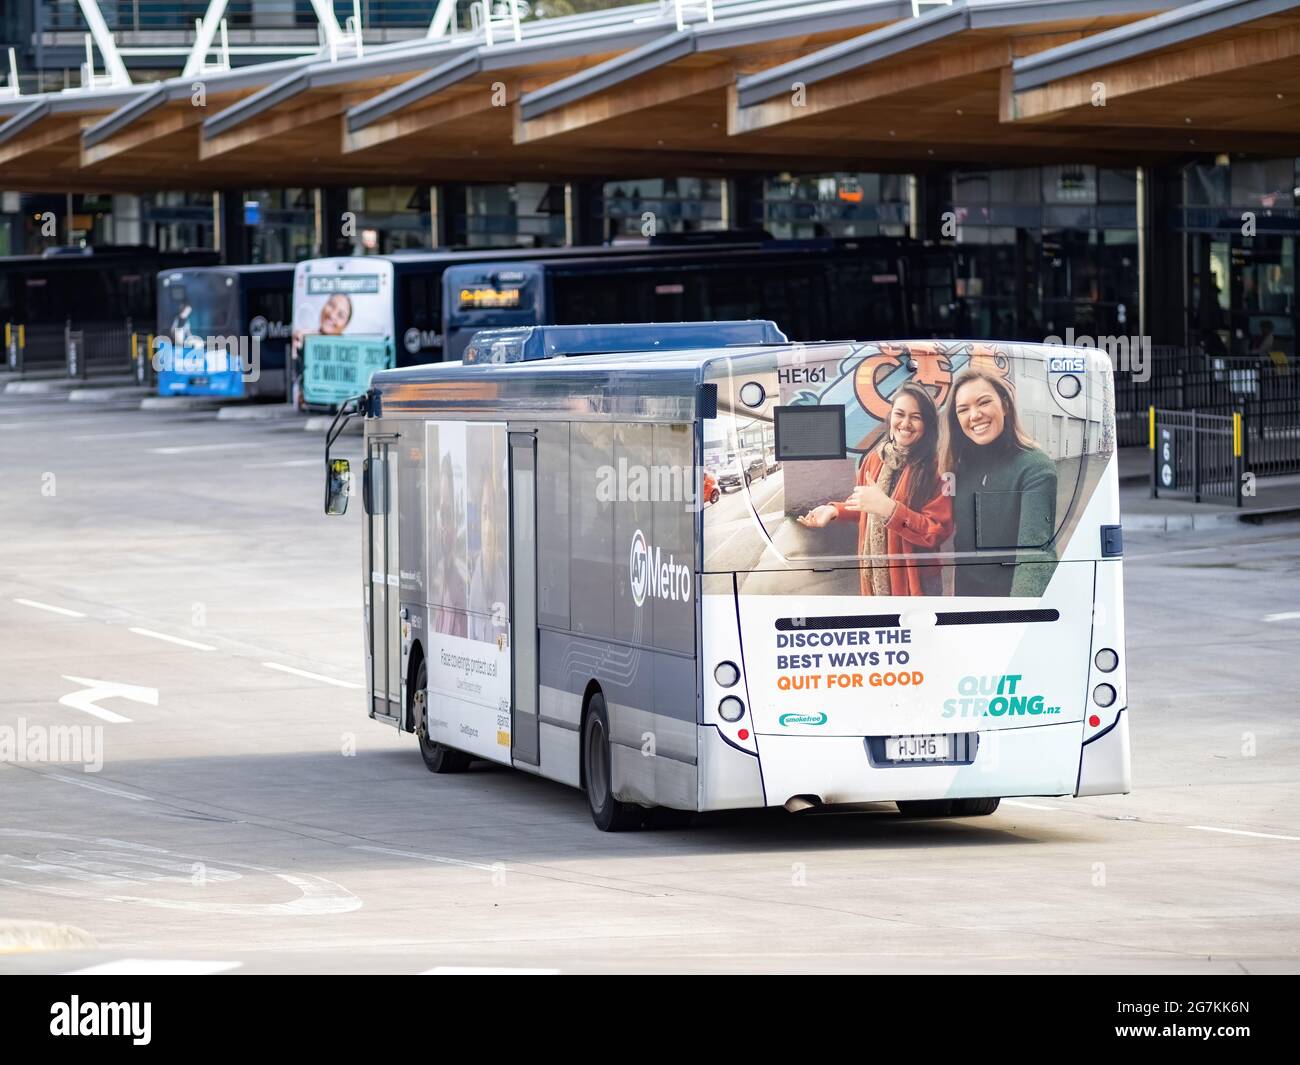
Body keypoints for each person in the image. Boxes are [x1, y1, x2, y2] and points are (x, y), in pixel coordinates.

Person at [797, 382, 952, 596]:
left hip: (918, 582)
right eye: (900, 414)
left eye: (916, 417)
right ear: (891, 419)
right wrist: (834, 511)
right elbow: (866, 504)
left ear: (927, 424)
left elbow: (937, 531)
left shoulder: (938, 466)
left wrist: (890, 509)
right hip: (875, 576)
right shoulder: (875, 458)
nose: (905, 423)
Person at [941, 368, 1057, 597]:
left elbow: (1035, 554)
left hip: (1007, 609)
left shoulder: (1035, 467)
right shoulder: (959, 467)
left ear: (1004, 405)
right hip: (964, 607)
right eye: (963, 409)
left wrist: (1020, 618)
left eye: (983, 402)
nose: (974, 415)